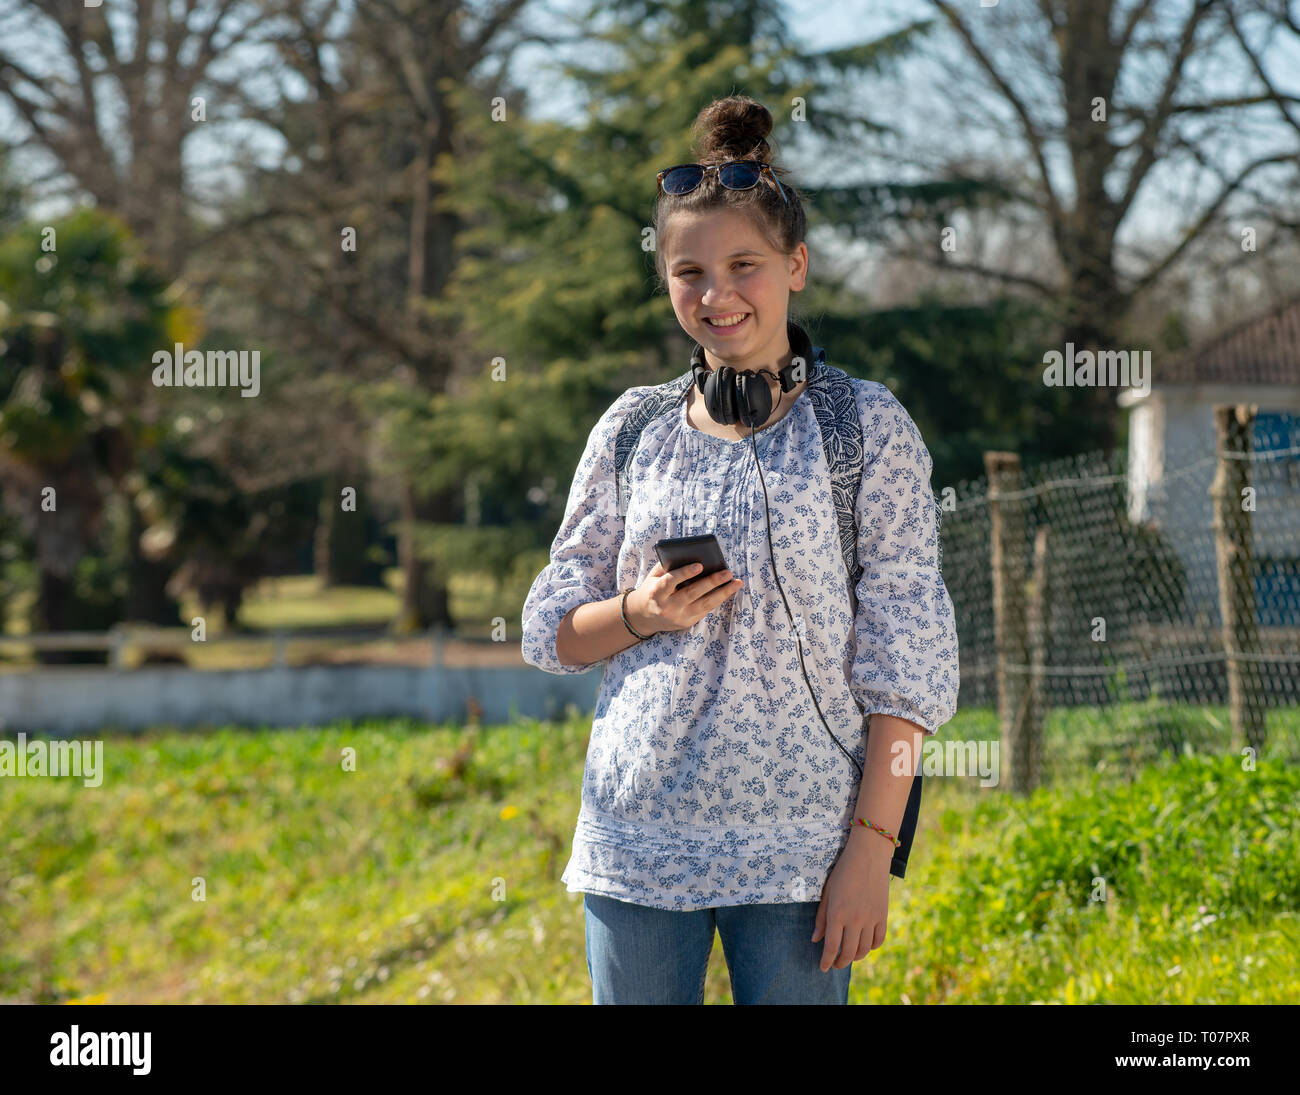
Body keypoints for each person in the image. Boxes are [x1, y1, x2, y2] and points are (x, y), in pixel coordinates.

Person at [520, 94, 960, 1004]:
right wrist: (637, 613)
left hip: (805, 847)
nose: (715, 295)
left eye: (744, 265)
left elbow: (908, 669)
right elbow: (548, 631)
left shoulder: (865, 426)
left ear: (795, 266)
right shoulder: (631, 428)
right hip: (636, 839)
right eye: (689, 271)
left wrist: (871, 853)